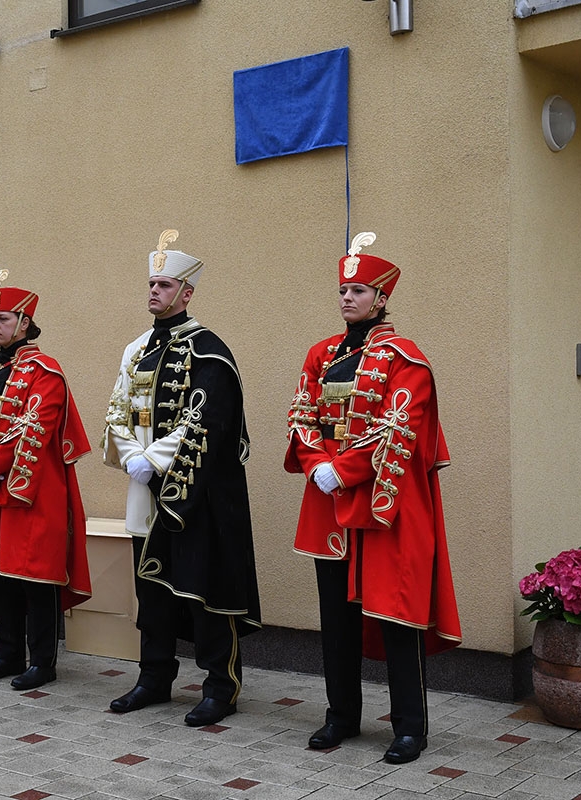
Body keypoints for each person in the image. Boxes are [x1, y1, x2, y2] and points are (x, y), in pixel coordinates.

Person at [284, 232, 462, 765]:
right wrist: (318, 466)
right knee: (335, 616)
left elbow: (400, 426)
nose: (347, 298)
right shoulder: (319, 354)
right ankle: (341, 716)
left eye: (358, 290)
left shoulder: (406, 358)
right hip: (327, 504)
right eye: (343, 289)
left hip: (384, 505)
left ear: (381, 299)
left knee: (394, 614)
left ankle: (410, 726)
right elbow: (302, 413)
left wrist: (344, 470)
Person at [103, 229, 261, 727]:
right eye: (151, 283)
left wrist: (157, 459)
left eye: (165, 285)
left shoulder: (209, 349)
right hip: (143, 488)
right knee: (150, 594)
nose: (154, 291)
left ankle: (221, 686)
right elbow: (117, 410)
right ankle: (154, 678)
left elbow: (208, 420)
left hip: (197, 495)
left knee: (202, 591)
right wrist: (133, 457)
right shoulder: (134, 351)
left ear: (187, 292)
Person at [0, 274, 92, 689]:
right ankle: (8, 653)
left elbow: (39, 423)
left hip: (33, 493)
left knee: (36, 578)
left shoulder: (45, 370)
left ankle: (43, 662)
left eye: (2, 318)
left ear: (24, 322)